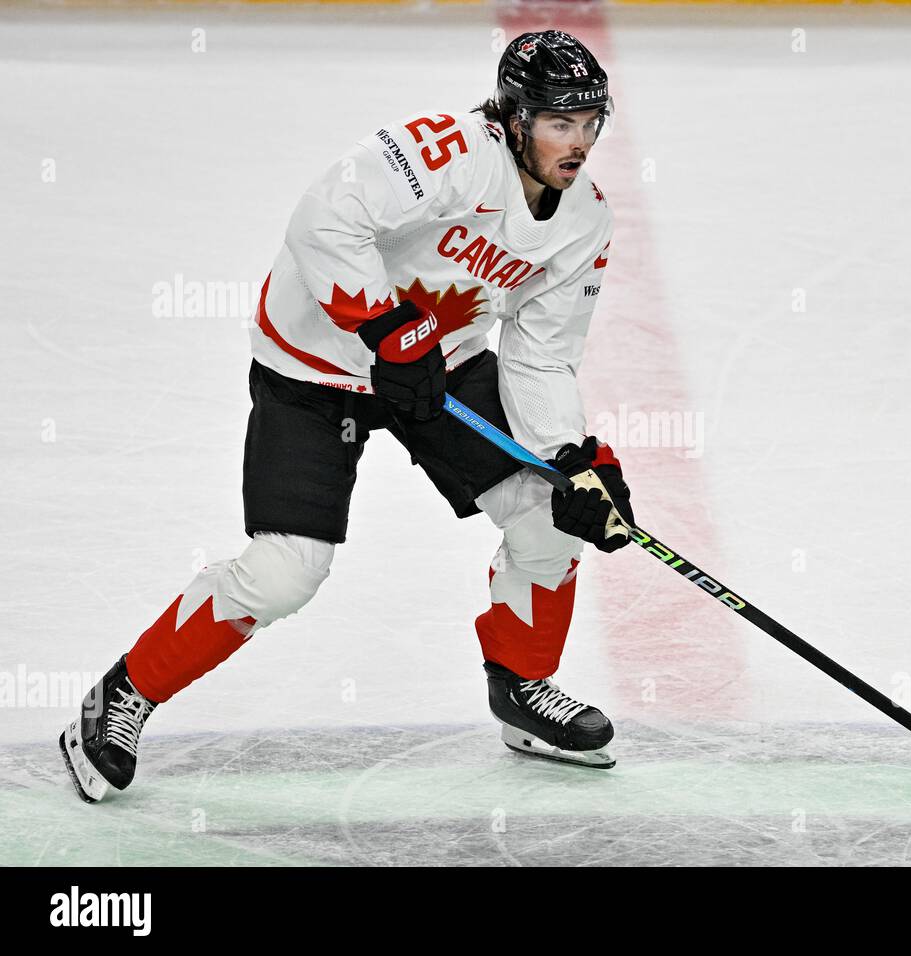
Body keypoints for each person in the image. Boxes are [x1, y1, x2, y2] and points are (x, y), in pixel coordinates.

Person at [59, 30, 634, 803]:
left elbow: (540, 355)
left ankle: (523, 688)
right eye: (560, 123)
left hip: (441, 366)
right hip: (316, 365)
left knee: (547, 519)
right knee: (286, 570)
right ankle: (123, 694)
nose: (579, 143)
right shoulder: (449, 151)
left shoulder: (583, 221)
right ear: (514, 116)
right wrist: (385, 326)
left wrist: (567, 456)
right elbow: (324, 216)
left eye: (591, 122)